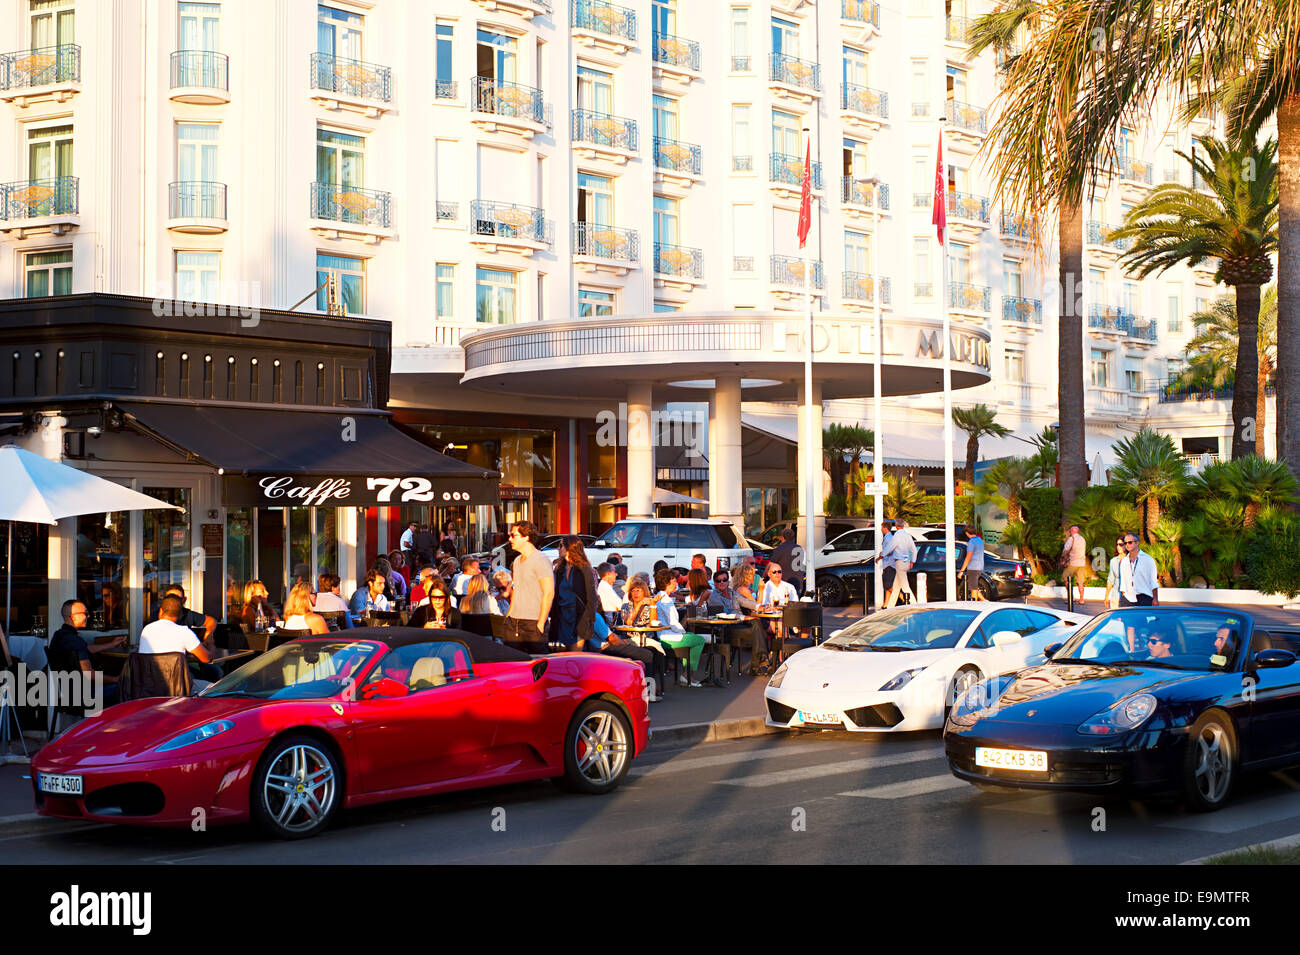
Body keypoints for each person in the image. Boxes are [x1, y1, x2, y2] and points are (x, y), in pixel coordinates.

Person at [48, 599, 124, 703]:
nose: (88, 616)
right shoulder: (75, 640)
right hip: (87, 696)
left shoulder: (59, 636)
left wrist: (111, 644)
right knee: (127, 687)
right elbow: (88, 674)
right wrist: (116, 679)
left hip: (68, 694)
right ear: (73, 616)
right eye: (85, 613)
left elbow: (85, 648)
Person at [139, 594, 216, 688]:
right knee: (214, 688)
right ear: (180, 614)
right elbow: (206, 658)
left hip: (148, 686)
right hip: (177, 687)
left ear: (161, 611)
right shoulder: (184, 632)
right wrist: (211, 644)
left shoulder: (147, 629)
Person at [654, 568, 712, 686]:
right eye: (674, 581)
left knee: (692, 637)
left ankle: (687, 674)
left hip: (667, 634)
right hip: (667, 637)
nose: (676, 583)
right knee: (699, 640)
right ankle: (687, 675)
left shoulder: (662, 597)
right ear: (667, 584)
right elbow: (674, 624)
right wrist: (683, 631)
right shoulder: (665, 600)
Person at [505, 521, 554, 653]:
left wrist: (541, 623)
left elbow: (548, 592)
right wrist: (509, 614)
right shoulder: (516, 561)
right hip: (514, 621)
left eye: (513, 535)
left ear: (526, 537)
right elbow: (516, 588)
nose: (510, 539)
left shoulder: (540, 559)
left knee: (539, 662)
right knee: (513, 661)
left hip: (533, 622)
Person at [552, 536, 597, 651]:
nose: (558, 548)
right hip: (563, 615)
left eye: (561, 545)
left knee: (575, 654)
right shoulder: (560, 569)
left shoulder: (583, 569)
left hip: (578, 616)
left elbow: (591, 597)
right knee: (566, 654)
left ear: (569, 548)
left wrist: (588, 619)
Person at [732, 563, 771, 674]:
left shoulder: (746, 589)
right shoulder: (743, 590)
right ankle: (768, 657)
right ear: (747, 576)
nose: (755, 578)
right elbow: (756, 607)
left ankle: (761, 661)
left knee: (763, 629)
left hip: (754, 620)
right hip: (747, 621)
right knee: (776, 629)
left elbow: (758, 606)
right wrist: (762, 590)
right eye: (753, 575)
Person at [882, 518, 917, 609]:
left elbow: (890, 547)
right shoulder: (908, 535)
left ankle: (915, 605)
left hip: (899, 562)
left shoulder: (897, 536)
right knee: (896, 586)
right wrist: (912, 561)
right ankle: (890, 607)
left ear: (896, 526)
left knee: (905, 586)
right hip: (907, 562)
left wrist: (881, 555)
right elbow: (914, 550)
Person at [1118, 532, 1159, 607]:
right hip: (1127, 598)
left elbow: (1153, 581)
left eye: (1130, 542)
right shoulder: (1124, 561)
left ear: (1137, 543)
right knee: (1125, 619)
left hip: (1145, 597)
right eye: (1125, 543)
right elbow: (1123, 582)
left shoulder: (1148, 559)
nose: (1127, 545)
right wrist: (1123, 597)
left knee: (1145, 618)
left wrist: (1155, 599)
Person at [769, 527, 806, 595]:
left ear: (782, 538)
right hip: (798, 584)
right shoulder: (800, 549)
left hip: (784, 584)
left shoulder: (780, 549)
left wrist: (765, 576)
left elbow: (771, 565)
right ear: (793, 538)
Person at [1060, 524, 1089, 605]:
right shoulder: (1083, 539)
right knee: (1080, 582)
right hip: (1081, 563)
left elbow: (1066, 549)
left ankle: (1071, 597)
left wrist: (1063, 556)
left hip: (1072, 563)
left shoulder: (1071, 539)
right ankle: (1082, 599)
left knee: (1066, 579)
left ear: (1071, 531)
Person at [959, 524, 986, 600]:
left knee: (973, 588)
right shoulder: (979, 540)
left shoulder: (971, 542)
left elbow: (968, 557)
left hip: (973, 568)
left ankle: (974, 606)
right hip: (980, 567)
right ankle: (985, 601)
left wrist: (962, 571)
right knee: (973, 586)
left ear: (967, 533)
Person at [1103, 537, 1126, 610]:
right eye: (1117, 545)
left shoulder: (1131, 560)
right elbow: (1110, 580)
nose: (1118, 547)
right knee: (1115, 620)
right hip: (1115, 595)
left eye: (1121, 544)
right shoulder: (1113, 561)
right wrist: (1106, 596)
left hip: (1128, 598)